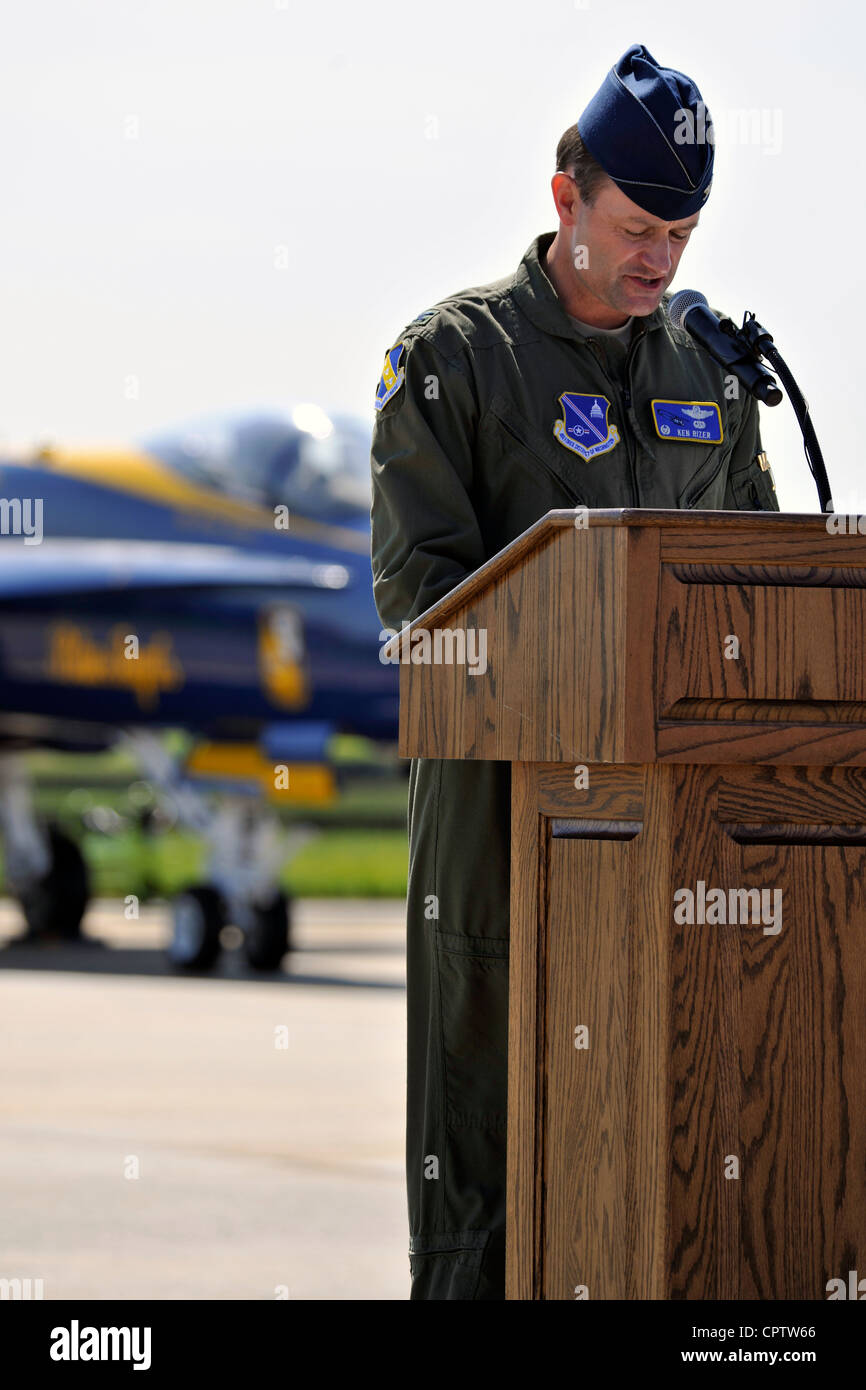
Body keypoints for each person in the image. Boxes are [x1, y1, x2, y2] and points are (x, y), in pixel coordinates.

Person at [369, 42, 779, 1301]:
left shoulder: (710, 369)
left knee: (686, 1153)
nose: (661, 258)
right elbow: (424, 614)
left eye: (683, 231)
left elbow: (760, 591)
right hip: (504, 840)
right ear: (565, 199)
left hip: (688, 846)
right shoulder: (454, 363)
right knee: (485, 1175)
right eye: (638, 225)